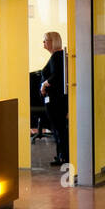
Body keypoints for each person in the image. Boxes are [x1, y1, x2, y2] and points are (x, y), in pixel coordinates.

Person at [39, 31, 69, 167]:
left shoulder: (57, 56)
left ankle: (63, 156)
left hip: (55, 100)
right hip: (56, 99)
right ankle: (62, 155)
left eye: (45, 40)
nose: (43, 43)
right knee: (59, 128)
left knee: (59, 129)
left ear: (52, 41)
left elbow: (56, 76)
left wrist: (44, 84)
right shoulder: (58, 56)